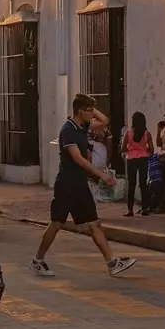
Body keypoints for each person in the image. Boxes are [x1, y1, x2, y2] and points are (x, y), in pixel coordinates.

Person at [30, 94, 138, 278]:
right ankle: (38, 260)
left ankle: (112, 263)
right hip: (66, 184)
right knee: (57, 223)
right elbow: (79, 159)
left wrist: (91, 106)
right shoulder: (68, 131)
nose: (92, 114)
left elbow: (105, 121)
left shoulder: (83, 125)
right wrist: (102, 175)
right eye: (89, 111)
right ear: (80, 111)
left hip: (80, 184)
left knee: (94, 223)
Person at [122, 112, 154, 217]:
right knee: (143, 184)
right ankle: (145, 208)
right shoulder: (147, 134)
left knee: (131, 184)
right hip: (143, 158)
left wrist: (131, 149)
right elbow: (152, 149)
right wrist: (144, 149)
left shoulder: (128, 133)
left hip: (131, 158)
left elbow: (123, 148)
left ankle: (129, 209)